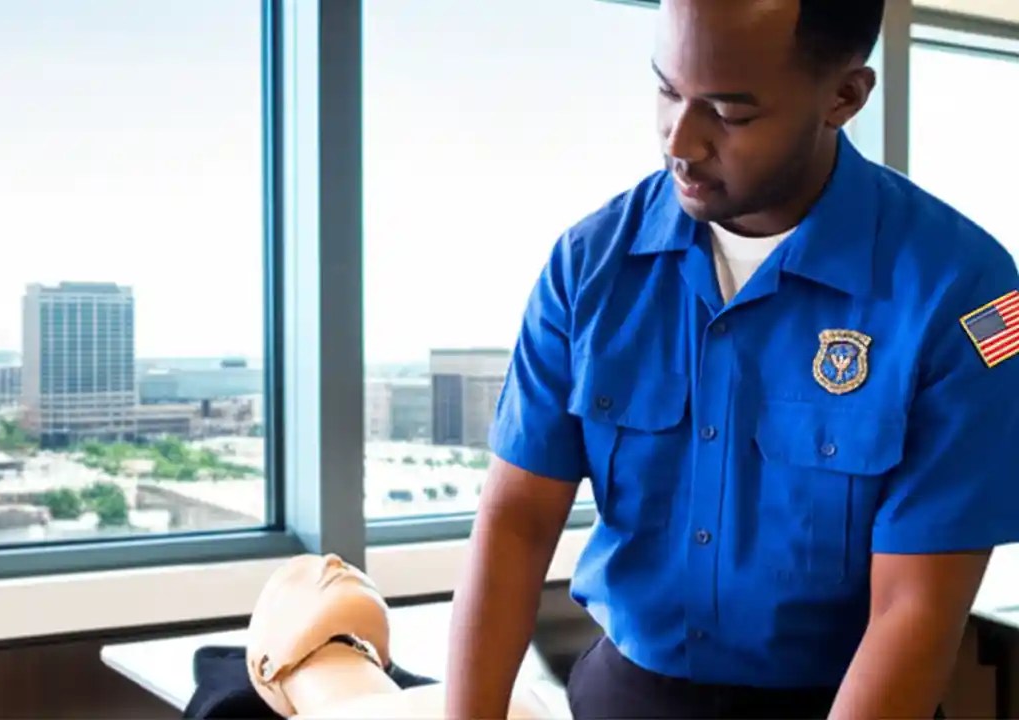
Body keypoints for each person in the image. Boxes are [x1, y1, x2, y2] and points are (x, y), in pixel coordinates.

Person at [446, 1, 1019, 718]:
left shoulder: (964, 293)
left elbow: (915, 608)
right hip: (626, 690)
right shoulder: (589, 266)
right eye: (667, 90)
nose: (679, 142)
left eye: (728, 113)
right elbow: (517, 521)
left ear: (844, 97)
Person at [242, 553, 552, 719]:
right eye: (296, 577)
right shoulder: (511, 706)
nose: (333, 559)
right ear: (263, 666)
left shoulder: (503, 700)